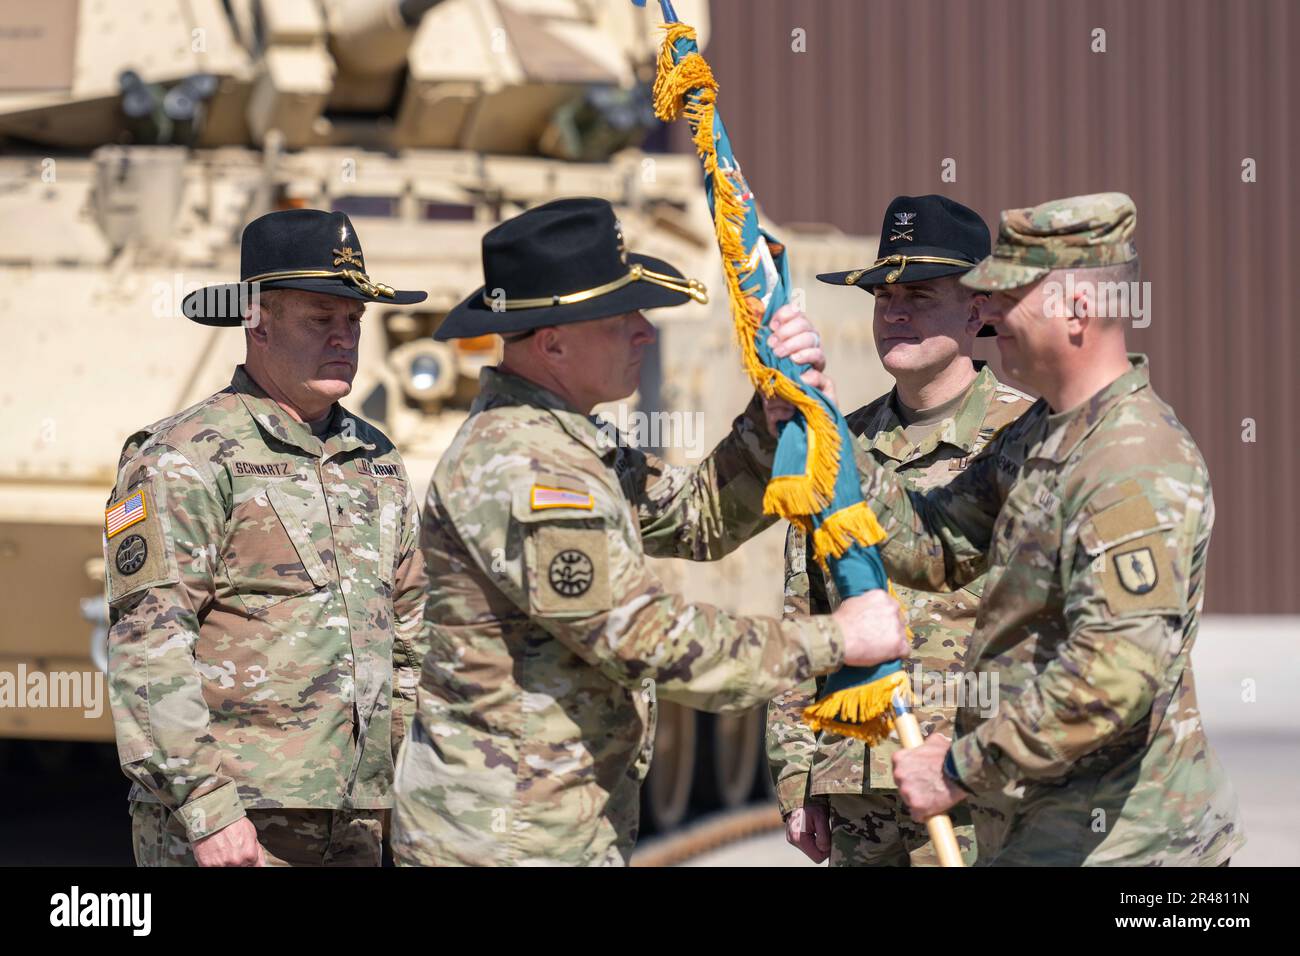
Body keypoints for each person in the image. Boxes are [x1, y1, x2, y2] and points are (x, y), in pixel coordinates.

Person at [390, 196, 911, 866]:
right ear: (552, 342)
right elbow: (641, 638)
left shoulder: (571, 444)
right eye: (620, 318)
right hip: (507, 838)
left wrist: (771, 419)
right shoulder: (527, 468)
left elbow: (696, 519)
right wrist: (837, 638)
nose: (645, 331)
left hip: (543, 827)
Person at [858, 193, 1243, 865]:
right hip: (1045, 831)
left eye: (1010, 295)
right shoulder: (1043, 436)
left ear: (1079, 310)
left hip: (1127, 846)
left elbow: (1113, 674)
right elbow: (934, 544)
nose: (993, 314)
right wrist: (830, 450)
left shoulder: (1131, 461)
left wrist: (958, 768)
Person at [105, 209, 432, 866]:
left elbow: (411, 644)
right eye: (321, 319)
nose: (344, 337)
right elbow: (151, 652)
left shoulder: (375, 459)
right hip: (236, 829)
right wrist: (207, 811)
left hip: (357, 824)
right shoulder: (184, 458)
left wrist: (417, 792)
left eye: (353, 321)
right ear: (257, 318)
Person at [766, 195, 1033, 866]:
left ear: (977, 309)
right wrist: (796, 776)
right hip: (857, 795)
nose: (896, 311)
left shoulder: (1027, 440)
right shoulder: (837, 447)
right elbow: (803, 614)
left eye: (919, 293)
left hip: (975, 799)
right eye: (884, 297)